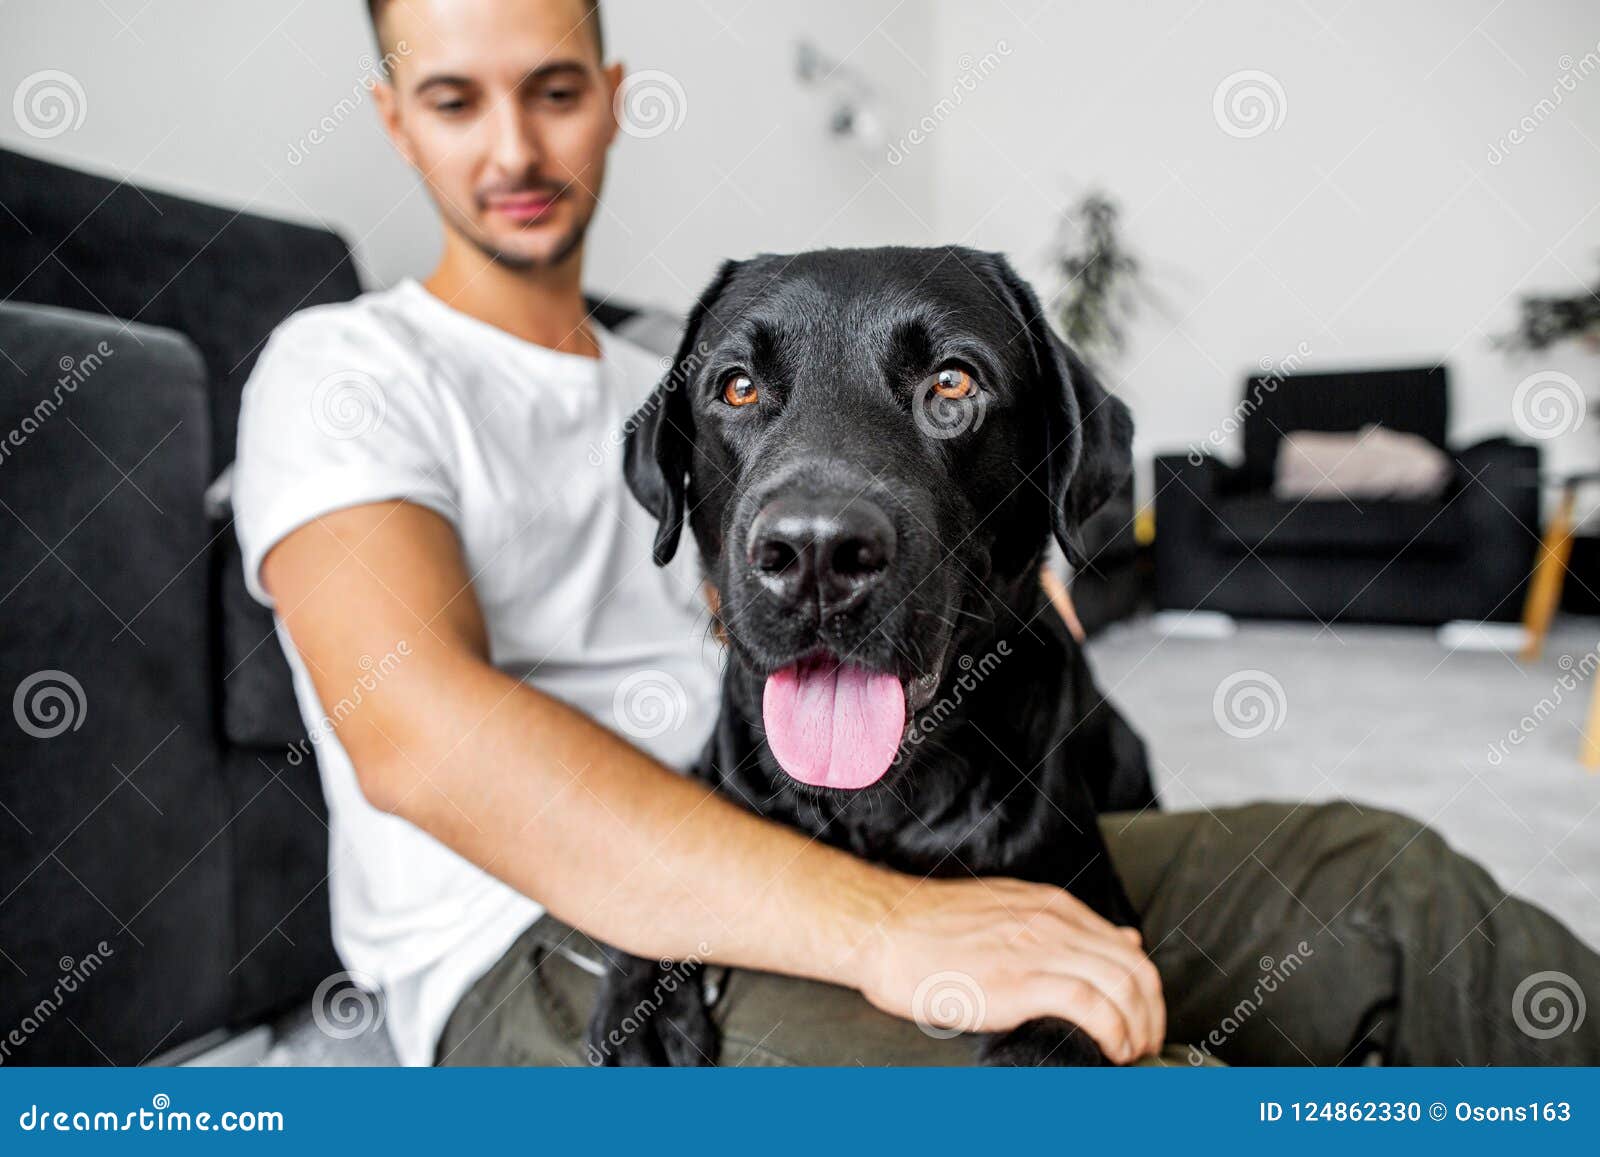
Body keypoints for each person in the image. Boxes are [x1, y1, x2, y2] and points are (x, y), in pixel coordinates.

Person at [232, 0, 1600, 1068]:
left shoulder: (686, 361)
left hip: (871, 832)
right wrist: (888, 927)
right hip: (543, 938)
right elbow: (413, 731)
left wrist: (1001, 584)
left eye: (553, 88)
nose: (515, 148)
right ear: (393, 118)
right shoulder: (345, 365)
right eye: (454, 98)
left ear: (612, 100)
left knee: (1400, 889)